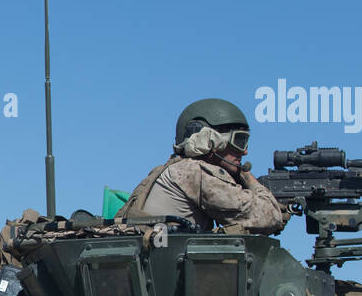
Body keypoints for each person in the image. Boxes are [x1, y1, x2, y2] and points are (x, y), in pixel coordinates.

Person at [116, 98, 290, 235]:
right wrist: (247, 177)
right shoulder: (193, 172)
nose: (244, 152)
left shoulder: (173, 169)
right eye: (239, 141)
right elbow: (269, 216)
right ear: (207, 140)